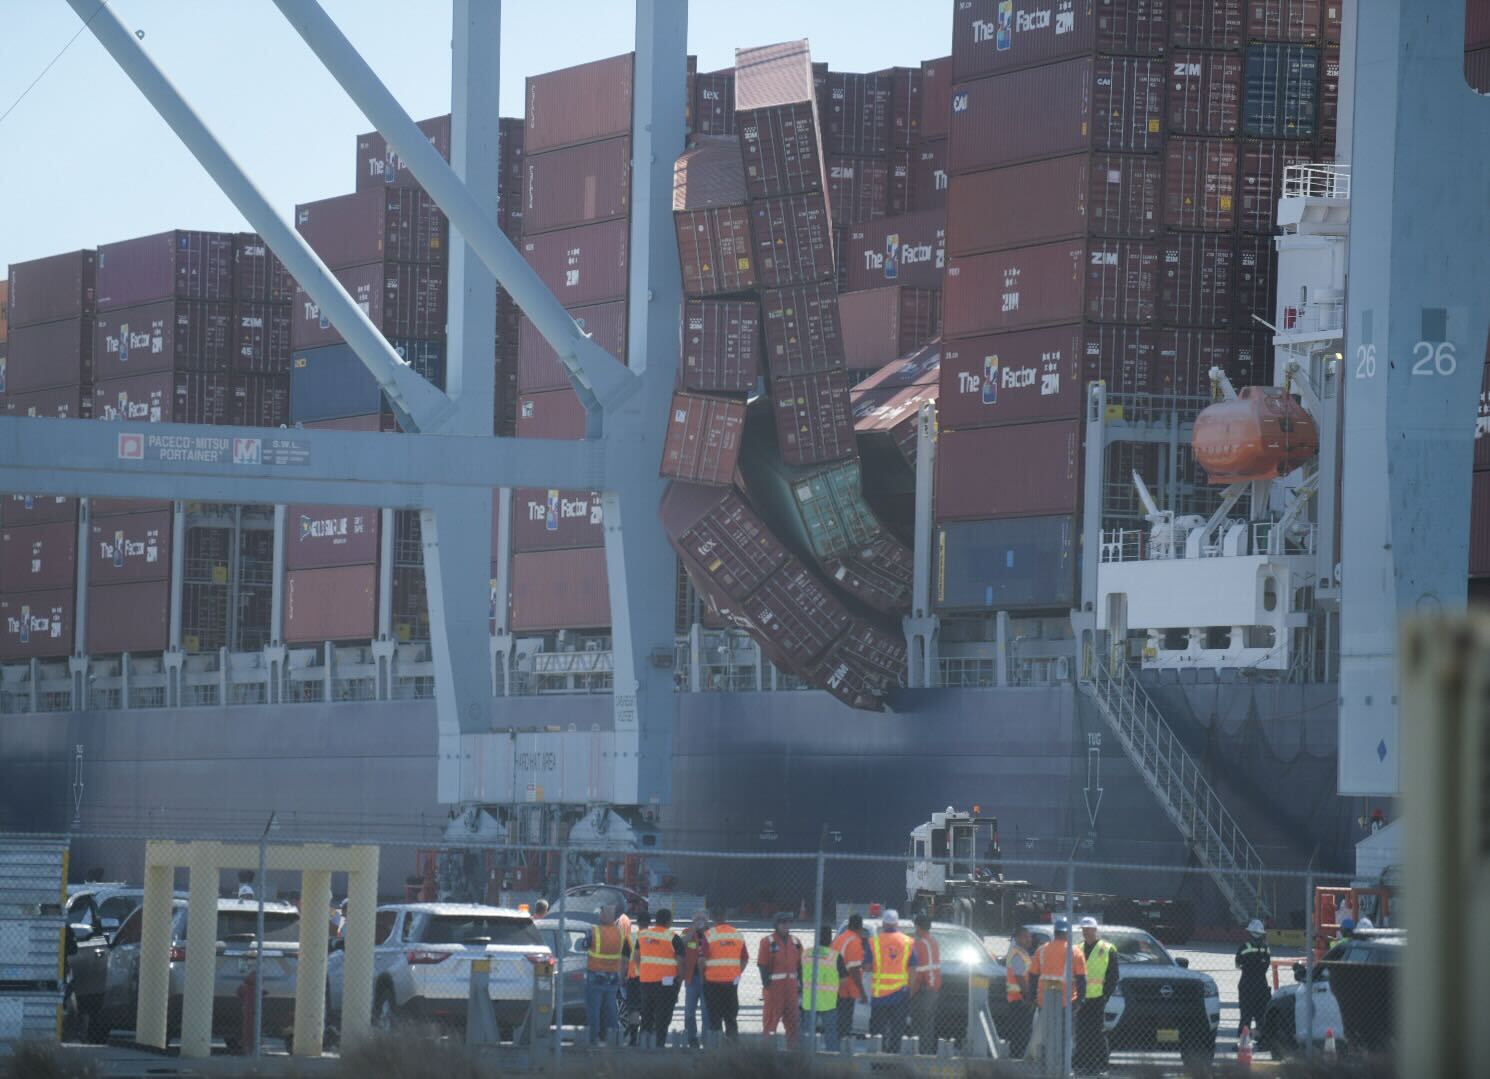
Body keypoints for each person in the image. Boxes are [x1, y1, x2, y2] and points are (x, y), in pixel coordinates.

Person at [1028, 918, 1086, 1072]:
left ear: (1055, 932)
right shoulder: (1075, 952)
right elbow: (1081, 979)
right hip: (1067, 1002)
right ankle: (1063, 1068)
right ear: (1067, 933)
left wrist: (1032, 998)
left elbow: (1033, 976)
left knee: (1045, 1035)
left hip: (1044, 1001)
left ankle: (1044, 1067)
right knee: (1065, 1036)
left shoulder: (1041, 950)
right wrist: (1080, 1001)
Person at [866, 909, 916, 1053]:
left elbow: (867, 966)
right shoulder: (907, 942)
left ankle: (877, 1058)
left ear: (883, 924)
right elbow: (913, 968)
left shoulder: (874, 942)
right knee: (897, 1030)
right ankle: (894, 1057)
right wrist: (910, 989)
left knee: (878, 1030)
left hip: (879, 995)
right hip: (900, 994)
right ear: (897, 924)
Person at [580, 903, 629, 1045]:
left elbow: (583, 945)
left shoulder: (594, 931)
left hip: (596, 976)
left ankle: (593, 1038)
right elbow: (625, 954)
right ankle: (614, 1037)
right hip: (613, 976)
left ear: (603, 916)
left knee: (594, 1009)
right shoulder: (620, 934)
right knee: (611, 1008)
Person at [637, 908, 685, 1048]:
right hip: (666, 985)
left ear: (656, 920)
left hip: (646, 982)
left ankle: (643, 1046)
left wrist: (643, 971)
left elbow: (636, 958)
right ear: (669, 921)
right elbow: (681, 963)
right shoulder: (673, 938)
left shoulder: (643, 935)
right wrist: (679, 981)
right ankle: (659, 1046)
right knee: (662, 1018)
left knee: (646, 1016)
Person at [1075, 917, 1118, 1075]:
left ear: (1095, 930)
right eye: (1083, 929)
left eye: (1088, 929)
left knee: (1097, 1033)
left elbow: (1113, 976)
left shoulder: (1108, 948)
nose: (1085, 932)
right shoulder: (1077, 948)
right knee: (1082, 1033)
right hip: (1081, 998)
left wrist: (1106, 995)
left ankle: (1101, 1065)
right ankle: (1083, 1065)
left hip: (1098, 998)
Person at [758, 911, 804, 1048]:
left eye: (788, 922)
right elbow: (762, 965)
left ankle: (792, 1051)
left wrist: (801, 984)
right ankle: (768, 1051)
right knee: (771, 1022)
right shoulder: (767, 942)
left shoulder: (796, 942)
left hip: (791, 990)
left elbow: (800, 966)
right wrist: (767, 984)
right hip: (774, 990)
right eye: (782, 923)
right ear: (776, 924)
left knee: (793, 1022)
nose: (785, 925)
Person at [702, 906, 747, 1044]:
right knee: (730, 1016)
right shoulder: (737, 934)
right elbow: (745, 958)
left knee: (714, 1016)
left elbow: (702, 959)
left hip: (712, 981)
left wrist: (703, 976)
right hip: (731, 981)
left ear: (712, 918)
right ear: (725, 917)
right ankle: (732, 1045)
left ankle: (716, 1046)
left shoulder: (709, 934)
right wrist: (737, 972)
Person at [801, 925, 846, 1052]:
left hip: (810, 1000)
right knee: (831, 1034)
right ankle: (832, 1059)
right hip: (829, 1001)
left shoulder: (806, 954)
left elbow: (799, 974)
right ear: (830, 939)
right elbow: (844, 979)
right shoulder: (835, 956)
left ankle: (805, 1056)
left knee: (807, 1033)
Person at [831, 914, 868, 1047]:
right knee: (845, 1024)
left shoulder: (839, 939)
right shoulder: (854, 941)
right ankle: (842, 1049)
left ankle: (835, 1047)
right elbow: (854, 970)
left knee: (836, 1022)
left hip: (834, 986)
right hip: (846, 990)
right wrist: (862, 992)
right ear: (860, 927)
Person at [910, 913, 942, 1054]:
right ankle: (927, 1055)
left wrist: (911, 992)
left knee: (918, 1026)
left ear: (918, 926)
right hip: (933, 989)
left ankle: (918, 1054)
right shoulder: (932, 941)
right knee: (928, 1026)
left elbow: (917, 973)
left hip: (923, 990)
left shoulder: (919, 944)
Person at [1236, 918, 1272, 1043]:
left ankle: (1243, 1041)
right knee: (1261, 1015)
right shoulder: (1266, 948)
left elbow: (1238, 964)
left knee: (1245, 1015)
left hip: (1247, 984)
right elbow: (1266, 964)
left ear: (1250, 933)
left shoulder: (1244, 947)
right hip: (1262, 984)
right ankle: (1262, 1041)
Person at [1003, 926, 1035, 1058]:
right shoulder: (1017, 954)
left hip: (1019, 999)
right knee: (1020, 1033)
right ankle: (1017, 1059)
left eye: (1029, 937)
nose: (1029, 939)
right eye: (1025, 937)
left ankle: (1018, 1057)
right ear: (1017, 938)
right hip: (1019, 1000)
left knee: (1021, 1032)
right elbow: (1019, 976)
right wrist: (1028, 996)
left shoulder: (1022, 953)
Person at [680, 910, 711, 1048]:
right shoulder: (686, 931)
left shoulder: (712, 933)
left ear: (707, 919)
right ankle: (691, 1038)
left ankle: (706, 1040)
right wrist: (692, 932)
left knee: (706, 1012)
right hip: (691, 977)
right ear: (692, 920)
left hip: (708, 978)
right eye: (697, 918)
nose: (699, 921)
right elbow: (680, 944)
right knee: (689, 1012)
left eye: (702, 918)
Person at [622, 910, 650, 1045]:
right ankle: (645, 1038)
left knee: (634, 1008)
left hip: (634, 977)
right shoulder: (655, 938)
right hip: (651, 978)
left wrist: (621, 976)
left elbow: (624, 959)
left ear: (637, 923)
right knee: (648, 1008)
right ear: (649, 923)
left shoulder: (630, 937)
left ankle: (633, 1038)